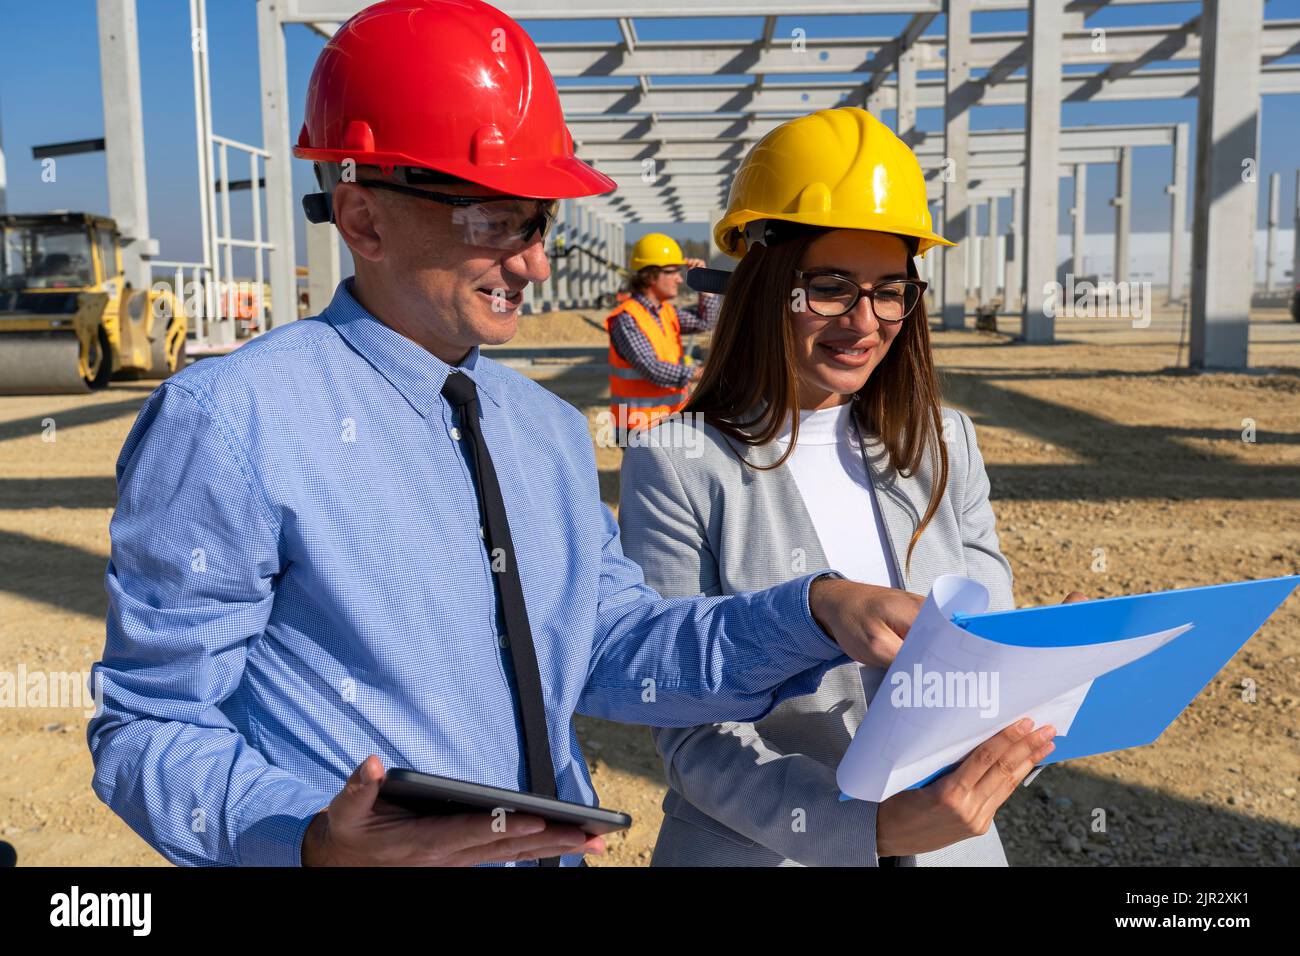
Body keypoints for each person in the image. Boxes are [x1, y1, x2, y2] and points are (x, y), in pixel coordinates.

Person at [87, 1, 925, 869]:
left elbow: (611, 646)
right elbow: (151, 723)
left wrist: (813, 610)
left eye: (540, 222)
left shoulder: (546, 433)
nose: (532, 262)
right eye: (496, 220)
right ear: (363, 220)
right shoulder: (234, 421)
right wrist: (305, 841)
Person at [619, 107, 1069, 867]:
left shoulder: (944, 442)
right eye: (829, 288)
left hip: (951, 845)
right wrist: (866, 830)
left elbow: (991, 641)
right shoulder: (677, 463)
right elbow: (689, 730)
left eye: (891, 290)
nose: (865, 322)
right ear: (765, 286)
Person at [605, 233, 718, 435]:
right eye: (672, 271)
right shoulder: (627, 318)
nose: (679, 278)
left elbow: (707, 321)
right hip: (637, 426)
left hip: (667, 420)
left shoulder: (666, 312)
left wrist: (704, 283)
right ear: (650, 276)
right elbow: (651, 368)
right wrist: (698, 373)